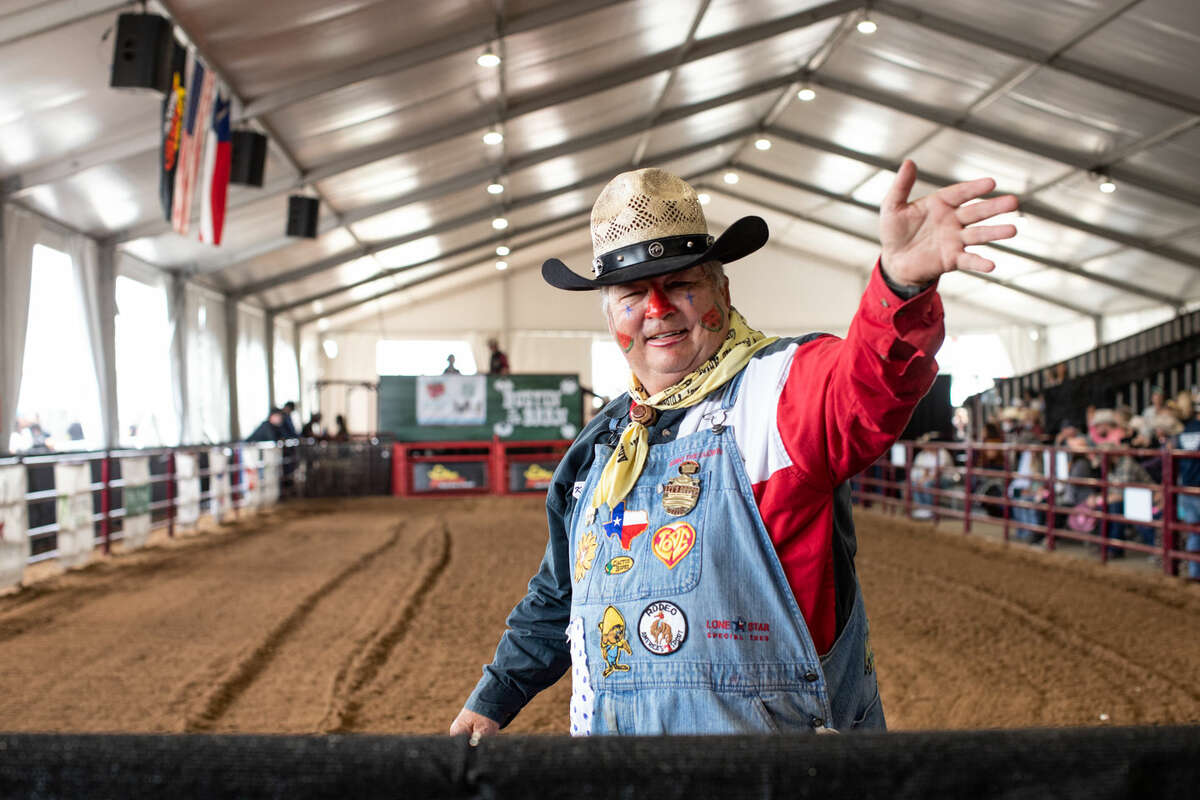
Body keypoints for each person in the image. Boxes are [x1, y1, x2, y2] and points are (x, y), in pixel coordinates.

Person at [448, 162, 1018, 737]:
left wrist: (899, 287)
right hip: (620, 774)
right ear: (609, 314)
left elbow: (867, 387)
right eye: (631, 295)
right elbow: (557, 596)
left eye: (680, 284)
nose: (657, 309)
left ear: (723, 288)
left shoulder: (779, 392)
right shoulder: (598, 450)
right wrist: (492, 699)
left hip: (779, 780)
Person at [1173, 392, 1200, 580]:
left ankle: (1194, 573)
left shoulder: (1182, 433)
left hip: (1186, 489)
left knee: (1194, 532)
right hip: (1197, 487)